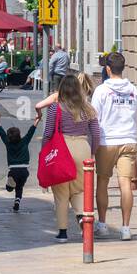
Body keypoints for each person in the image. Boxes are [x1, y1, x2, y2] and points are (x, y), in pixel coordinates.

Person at [40, 73, 100, 241]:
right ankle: (82, 218)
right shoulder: (88, 108)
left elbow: (48, 133)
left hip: (62, 150)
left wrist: (44, 153)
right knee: (80, 189)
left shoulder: (56, 108)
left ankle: (63, 232)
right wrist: (93, 152)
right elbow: (96, 134)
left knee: (61, 194)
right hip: (83, 149)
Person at [91, 51, 137, 241]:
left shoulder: (102, 91)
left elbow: (95, 118)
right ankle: (126, 228)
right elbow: (136, 115)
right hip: (128, 139)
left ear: (108, 69)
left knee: (102, 182)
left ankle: (102, 224)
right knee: (125, 184)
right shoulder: (133, 90)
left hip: (107, 141)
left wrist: (93, 143)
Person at [0, 120, 37, 210]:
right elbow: (31, 131)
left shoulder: (8, 143)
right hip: (24, 171)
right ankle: (17, 200)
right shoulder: (25, 141)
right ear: (19, 135)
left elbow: (2, 133)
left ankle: (10, 183)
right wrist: (37, 120)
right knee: (19, 187)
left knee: (9, 188)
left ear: (8, 137)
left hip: (13, 170)